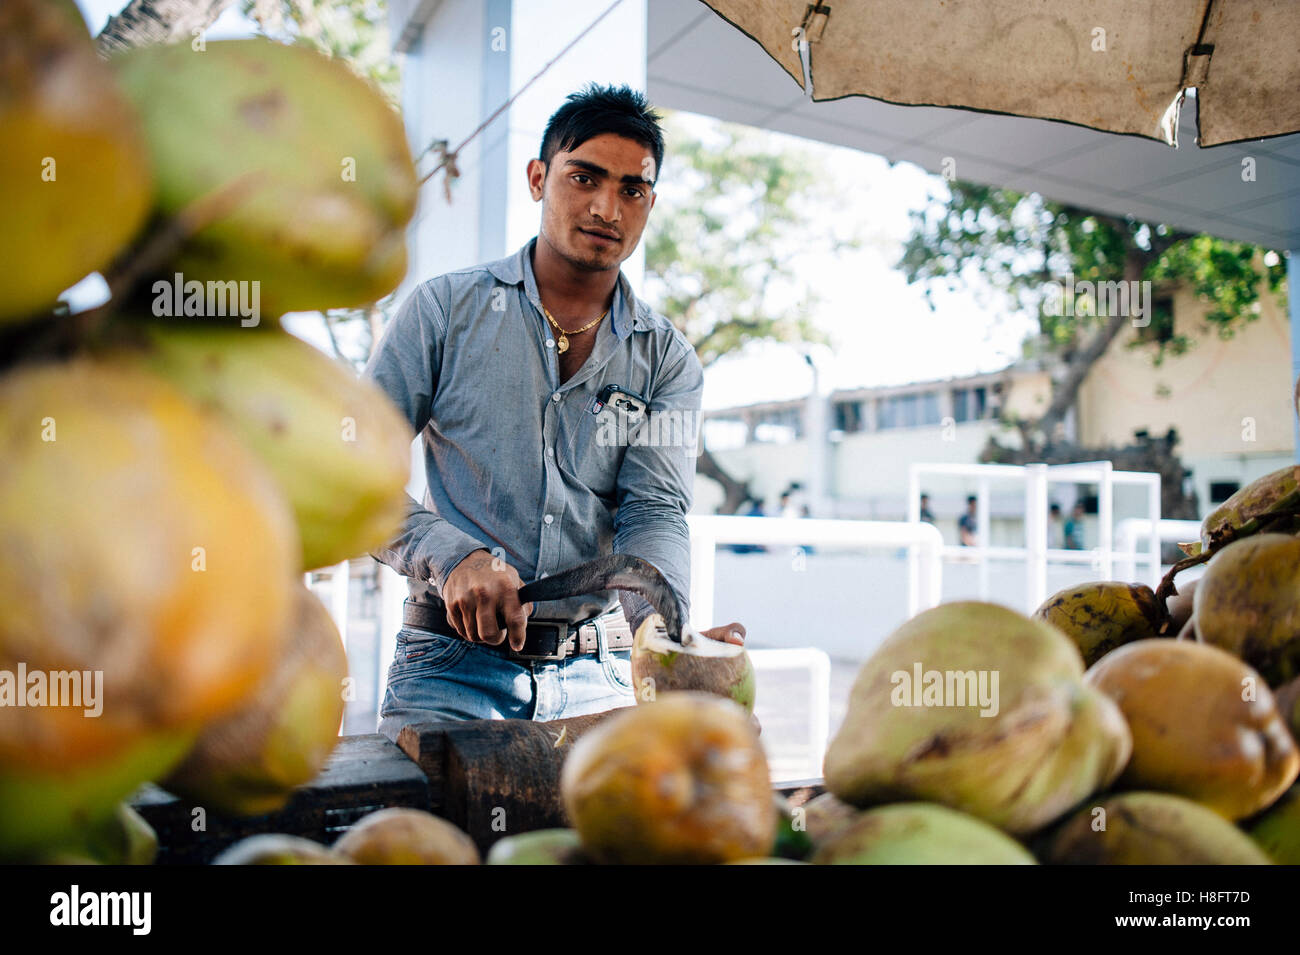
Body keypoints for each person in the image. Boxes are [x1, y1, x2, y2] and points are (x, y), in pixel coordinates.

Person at [364, 85, 745, 741]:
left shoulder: (667, 361)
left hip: (601, 676)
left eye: (633, 189)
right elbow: (351, 478)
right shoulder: (441, 313)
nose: (606, 207)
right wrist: (450, 557)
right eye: (584, 177)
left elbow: (653, 510)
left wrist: (662, 627)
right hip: (446, 670)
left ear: (650, 203)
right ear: (539, 178)